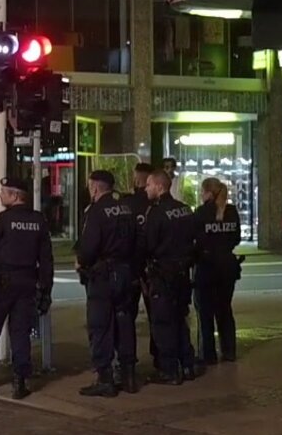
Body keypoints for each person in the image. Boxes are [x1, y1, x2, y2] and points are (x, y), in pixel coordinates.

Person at [0, 177, 52, 399]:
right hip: (27, 283)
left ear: (15, 196)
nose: (0, 196)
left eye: (4, 192)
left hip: (2, 284)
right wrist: (46, 290)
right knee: (20, 333)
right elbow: (46, 260)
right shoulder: (38, 220)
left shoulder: (1, 221)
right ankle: (19, 381)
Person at [74, 170, 140, 397]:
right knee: (125, 323)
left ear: (95, 187)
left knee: (100, 326)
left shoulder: (96, 211)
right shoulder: (127, 208)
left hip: (103, 276)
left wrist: (81, 260)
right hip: (125, 272)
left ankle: (105, 379)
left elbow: (88, 248)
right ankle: (129, 375)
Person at [139, 168, 203, 384]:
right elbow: (197, 240)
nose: (145, 188)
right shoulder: (184, 209)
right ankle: (187, 364)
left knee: (163, 322)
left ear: (159, 186)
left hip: (163, 274)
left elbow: (147, 245)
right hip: (183, 273)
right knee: (180, 319)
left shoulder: (155, 213)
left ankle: (169, 371)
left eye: (148, 184)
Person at [194, 178, 242, 364]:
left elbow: (195, 240)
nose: (200, 195)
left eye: (201, 191)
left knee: (205, 312)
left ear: (208, 193)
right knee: (224, 308)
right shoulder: (232, 212)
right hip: (227, 266)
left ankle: (208, 354)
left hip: (207, 266)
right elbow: (236, 238)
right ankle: (229, 350)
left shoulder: (201, 213)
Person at [122, 162, 158, 376]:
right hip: (153, 267)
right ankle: (160, 357)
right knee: (157, 315)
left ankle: (128, 362)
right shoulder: (157, 205)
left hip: (132, 266)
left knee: (127, 315)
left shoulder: (128, 204)